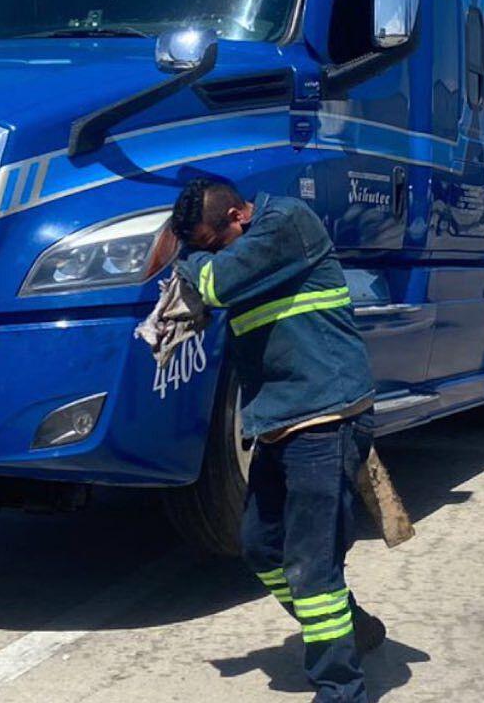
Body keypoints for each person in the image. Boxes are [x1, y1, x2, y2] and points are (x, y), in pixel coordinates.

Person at [167, 178, 384, 703]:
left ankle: (341, 689)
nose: (205, 254)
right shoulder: (249, 245)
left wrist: (183, 263)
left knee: (312, 566)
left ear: (237, 217)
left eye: (209, 243)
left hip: (325, 417)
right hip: (280, 420)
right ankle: (351, 626)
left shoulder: (287, 223)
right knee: (261, 547)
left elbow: (215, 285)